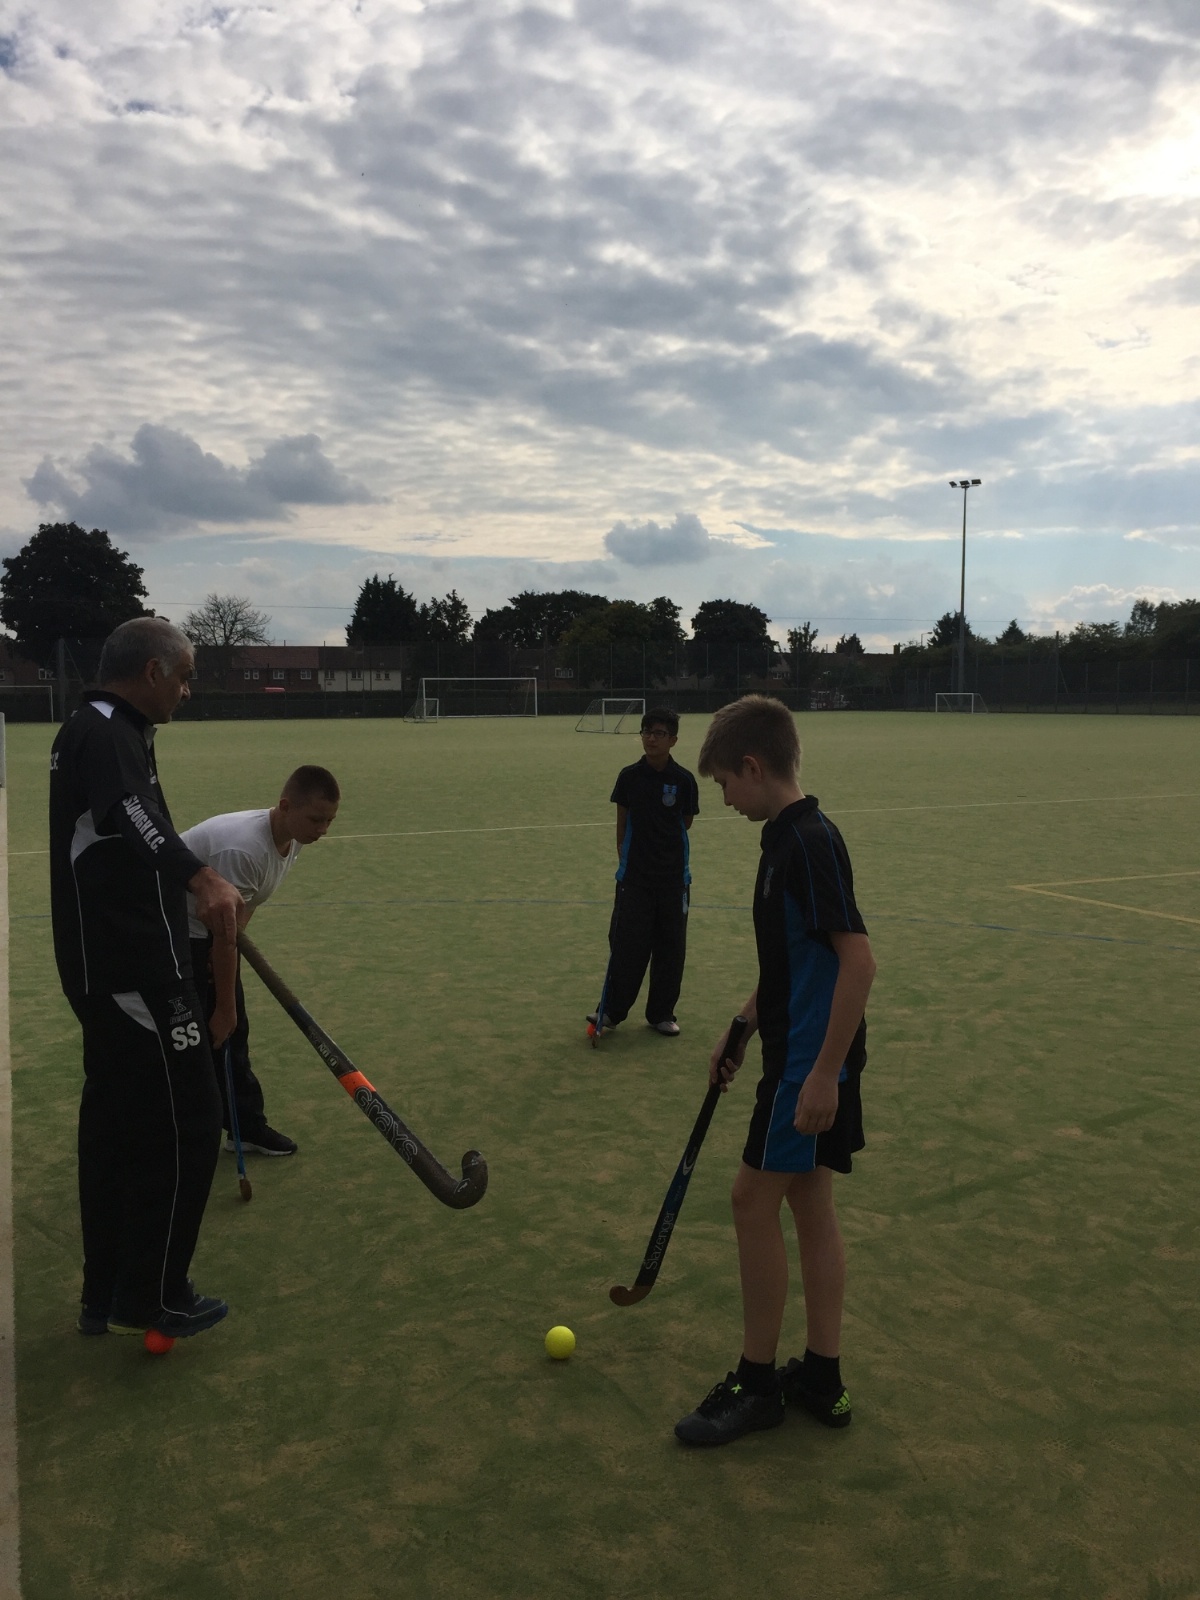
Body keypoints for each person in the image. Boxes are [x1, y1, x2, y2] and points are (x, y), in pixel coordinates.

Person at [673, 695, 876, 1446]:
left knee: (750, 1202)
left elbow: (858, 961)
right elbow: (796, 960)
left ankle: (757, 1384)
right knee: (810, 1206)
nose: (724, 798)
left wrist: (822, 1075)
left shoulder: (808, 843)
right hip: (796, 1053)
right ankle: (822, 1376)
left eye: (725, 782)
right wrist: (741, 1025)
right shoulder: (786, 840)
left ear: (754, 768)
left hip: (805, 1071)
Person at [49, 617, 243, 1341]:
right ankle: (154, 1292)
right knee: (189, 1121)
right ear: (154, 672)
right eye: (184, 677)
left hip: (112, 967)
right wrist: (202, 878)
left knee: (113, 1128)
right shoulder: (105, 733)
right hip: (134, 971)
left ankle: (105, 1292)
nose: (188, 691)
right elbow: (134, 817)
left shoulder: (101, 729)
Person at [182, 767, 341, 1157]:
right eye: (316, 820)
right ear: (286, 806)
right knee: (204, 1033)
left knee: (231, 1034)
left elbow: (242, 908)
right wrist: (225, 1007)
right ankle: (182, 1135)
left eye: (329, 821)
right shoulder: (243, 849)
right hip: (167, 930)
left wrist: (224, 951)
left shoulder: (293, 838)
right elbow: (224, 931)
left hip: (207, 932)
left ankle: (245, 1128)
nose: (322, 830)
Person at [588, 708, 699, 1038]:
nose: (651, 738)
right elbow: (622, 822)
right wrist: (625, 857)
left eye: (659, 733)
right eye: (647, 732)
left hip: (674, 880)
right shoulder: (629, 777)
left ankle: (661, 1013)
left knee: (671, 948)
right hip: (634, 879)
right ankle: (611, 1010)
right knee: (627, 945)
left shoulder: (684, 780)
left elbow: (685, 822)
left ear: (673, 740)